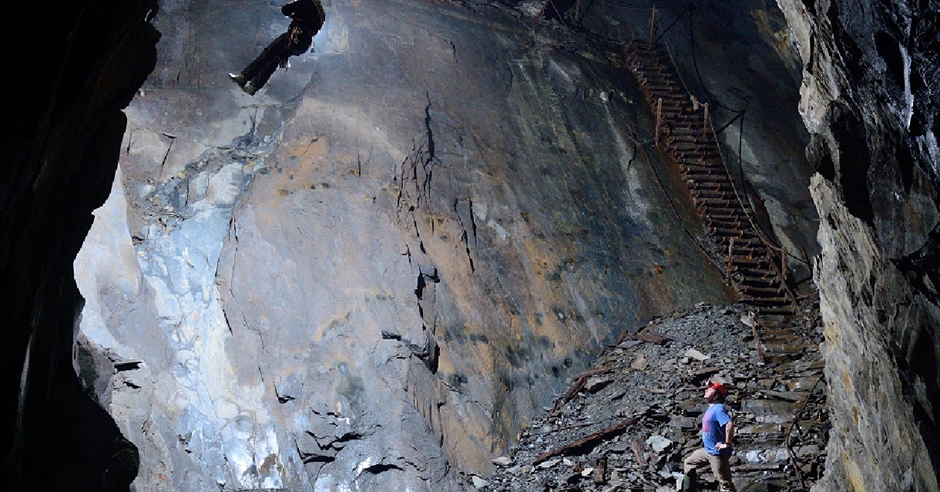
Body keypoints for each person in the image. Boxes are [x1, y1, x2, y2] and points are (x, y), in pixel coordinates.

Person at [229, 0, 325, 95]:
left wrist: (294, 7)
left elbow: (285, 10)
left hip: (292, 38)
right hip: (303, 45)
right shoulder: (321, 13)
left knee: (267, 54)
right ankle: (253, 87)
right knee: (275, 60)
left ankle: (244, 77)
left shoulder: (306, 3)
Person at [678, 381, 736, 492]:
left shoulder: (718, 409)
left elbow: (729, 424)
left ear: (716, 395)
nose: (706, 390)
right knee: (689, 463)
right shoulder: (711, 408)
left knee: (725, 483)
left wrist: (727, 444)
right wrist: (710, 384)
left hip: (718, 453)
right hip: (707, 451)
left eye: (709, 390)